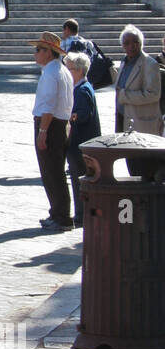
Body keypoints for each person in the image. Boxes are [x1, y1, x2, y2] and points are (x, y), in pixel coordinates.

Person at [31, 31, 74, 231]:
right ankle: (58, 213)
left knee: (51, 172)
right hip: (60, 124)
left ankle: (61, 215)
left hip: (51, 125)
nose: (35, 53)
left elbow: (48, 105)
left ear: (49, 52)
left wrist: (43, 131)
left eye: (39, 50)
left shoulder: (51, 73)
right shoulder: (62, 70)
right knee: (55, 171)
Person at [65, 50, 101, 227]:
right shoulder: (81, 88)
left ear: (79, 70)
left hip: (81, 143)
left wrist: (70, 116)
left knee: (79, 179)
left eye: (69, 68)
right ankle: (81, 213)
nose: (67, 71)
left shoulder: (82, 90)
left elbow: (84, 115)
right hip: (81, 143)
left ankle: (81, 215)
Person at [114, 24, 163, 138]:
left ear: (141, 43)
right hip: (123, 119)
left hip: (142, 125)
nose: (131, 46)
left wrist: (124, 96)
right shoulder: (123, 63)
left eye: (135, 41)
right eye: (127, 43)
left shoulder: (150, 64)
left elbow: (153, 94)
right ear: (123, 46)